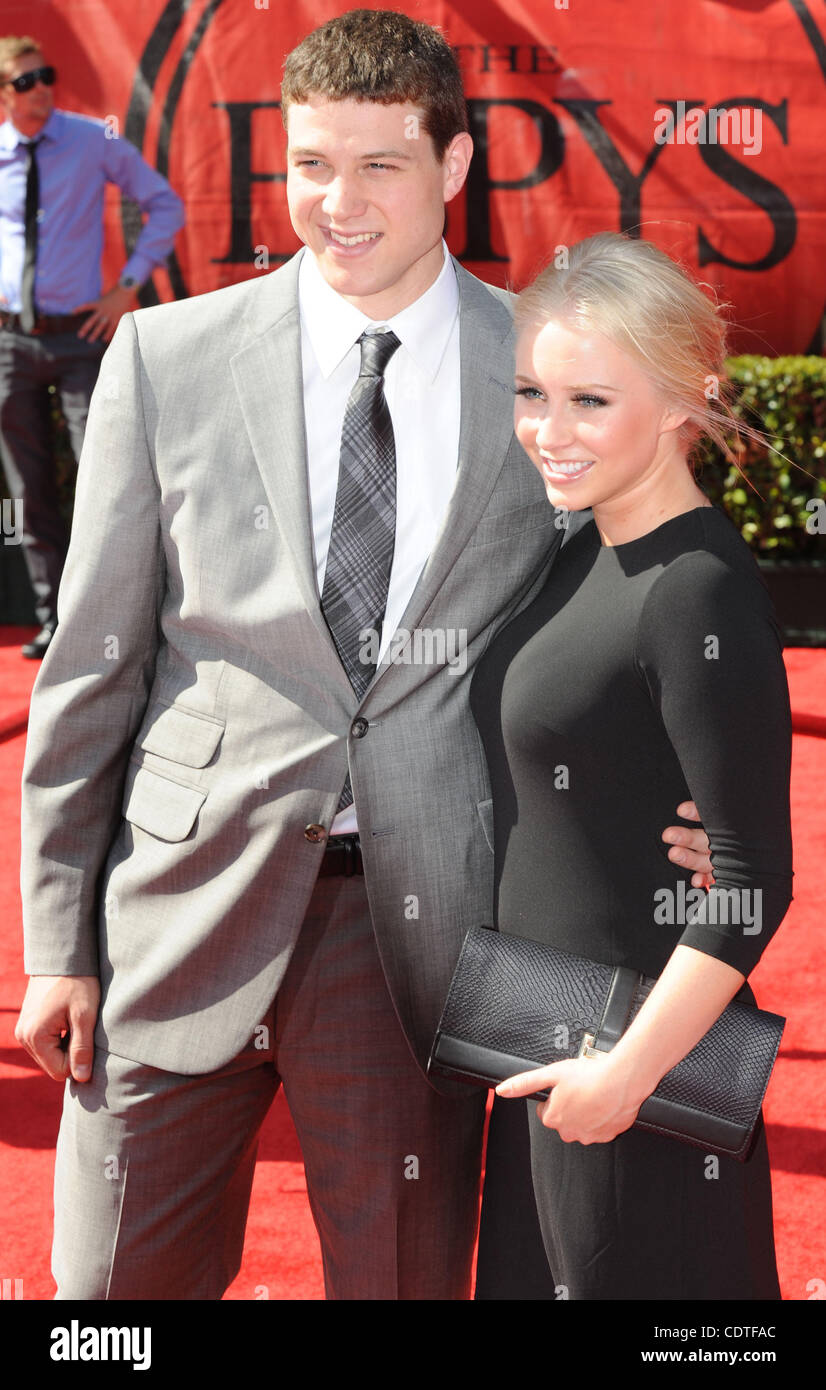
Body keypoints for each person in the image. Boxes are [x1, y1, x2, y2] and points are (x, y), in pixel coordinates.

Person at [14, 12, 711, 1301]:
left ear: (451, 168)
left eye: (380, 164)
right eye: (312, 165)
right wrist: (56, 940)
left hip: (419, 928)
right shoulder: (168, 358)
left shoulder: (546, 365)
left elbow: (630, 614)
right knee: (104, 1301)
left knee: (395, 1285)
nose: (338, 204)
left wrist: (686, 799)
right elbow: (93, 667)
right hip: (176, 906)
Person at [470, 230, 793, 1300]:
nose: (546, 433)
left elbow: (749, 884)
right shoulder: (578, 543)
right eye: (530, 392)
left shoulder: (692, 589)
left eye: (590, 402)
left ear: (683, 399)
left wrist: (627, 1077)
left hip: (633, 1081)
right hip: (546, 1050)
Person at [0, 35, 184, 657]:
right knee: (23, 490)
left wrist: (125, 289)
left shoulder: (90, 138)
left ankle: (111, 616)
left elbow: (165, 204)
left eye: (46, 74)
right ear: (3, 93)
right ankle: (53, 618)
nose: (42, 87)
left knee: (103, 474)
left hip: (82, 334)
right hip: (9, 340)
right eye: (26, 80)